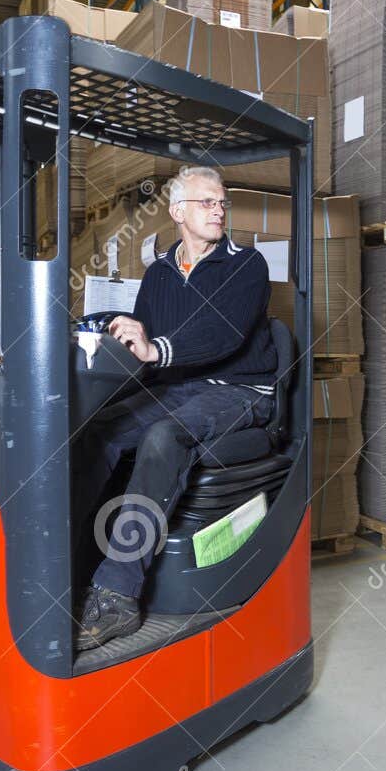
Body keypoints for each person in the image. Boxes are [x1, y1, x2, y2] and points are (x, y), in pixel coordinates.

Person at [73, 165, 277, 650]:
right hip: (179, 387)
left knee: (164, 436)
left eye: (222, 202)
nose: (219, 210)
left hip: (239, 389)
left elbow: (222, 333)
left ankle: (118, 595)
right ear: (178, 211)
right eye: (208, 202)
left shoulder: (247, 266)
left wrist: (155, 349)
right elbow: (145, 343)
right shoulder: (160, 273)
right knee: (96, 430)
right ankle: (61, 562)